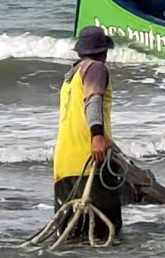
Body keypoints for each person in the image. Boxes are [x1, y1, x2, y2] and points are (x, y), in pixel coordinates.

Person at [51, 26, 135, 240]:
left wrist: (118, 154)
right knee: (106, 236)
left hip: (64, 166)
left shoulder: (70, 78)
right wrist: (97, 136)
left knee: (71, 238)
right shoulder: (97, 68)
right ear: (104, 51)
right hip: (90, 162)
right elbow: (93, 101)